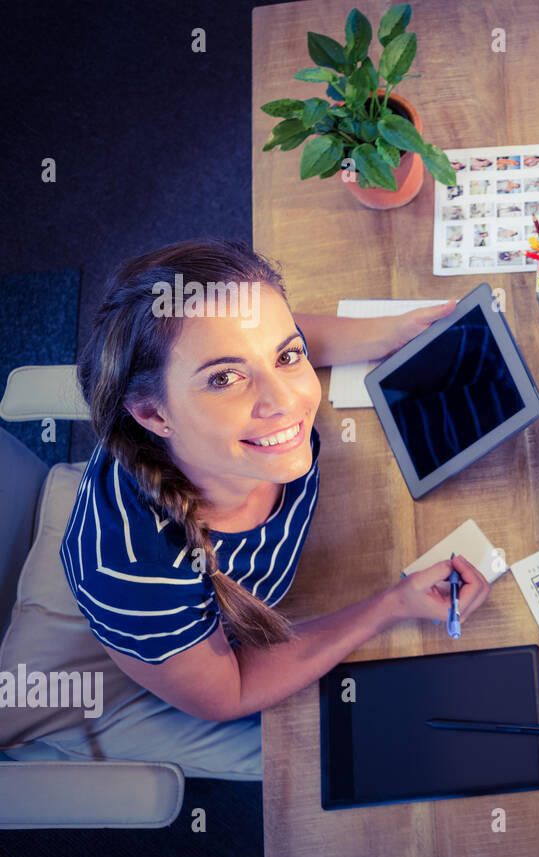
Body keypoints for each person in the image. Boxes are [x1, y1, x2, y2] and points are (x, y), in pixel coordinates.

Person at [45, 238, 490, 777]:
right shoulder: (138, 579)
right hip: (199, 659)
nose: (285, 400)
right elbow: (228, 692)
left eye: (287, 356)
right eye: (224, 379)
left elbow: (267, 334)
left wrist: (390, 334)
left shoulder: (248, 429)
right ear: (153, 414)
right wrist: (391, 605)